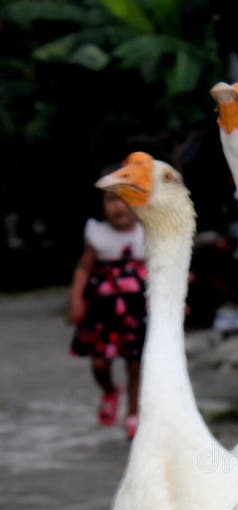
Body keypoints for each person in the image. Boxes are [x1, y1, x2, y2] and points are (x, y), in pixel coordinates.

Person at [68, 182, 147, 440]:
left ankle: (133, 414)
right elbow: (83, 269)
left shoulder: (147, 234)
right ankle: (110, 390)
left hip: (136, 312)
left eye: (126, 199)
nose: (119, 206)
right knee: (99, 362)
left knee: (135, 365)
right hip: (102, 313)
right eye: (112, 199)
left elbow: (161, 271)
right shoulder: (97, 234)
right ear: (102, 204)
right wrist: (76, 299)